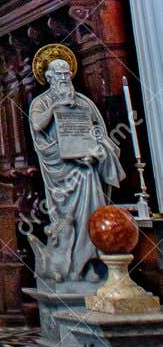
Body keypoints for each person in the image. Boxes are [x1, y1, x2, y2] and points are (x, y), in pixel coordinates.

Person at [28, 54, 121, 282]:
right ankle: (67, 267)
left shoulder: (83, 102)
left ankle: (88, 263)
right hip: (61, 173)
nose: (63, 78)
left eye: (66, 74)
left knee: (91, 214)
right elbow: (37, 125)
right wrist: (56, 107)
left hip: (87, 171)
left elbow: (99, 131)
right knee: (65, 219)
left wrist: (97, 149)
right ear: (48, 77)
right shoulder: (41, 102)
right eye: (58, 74)